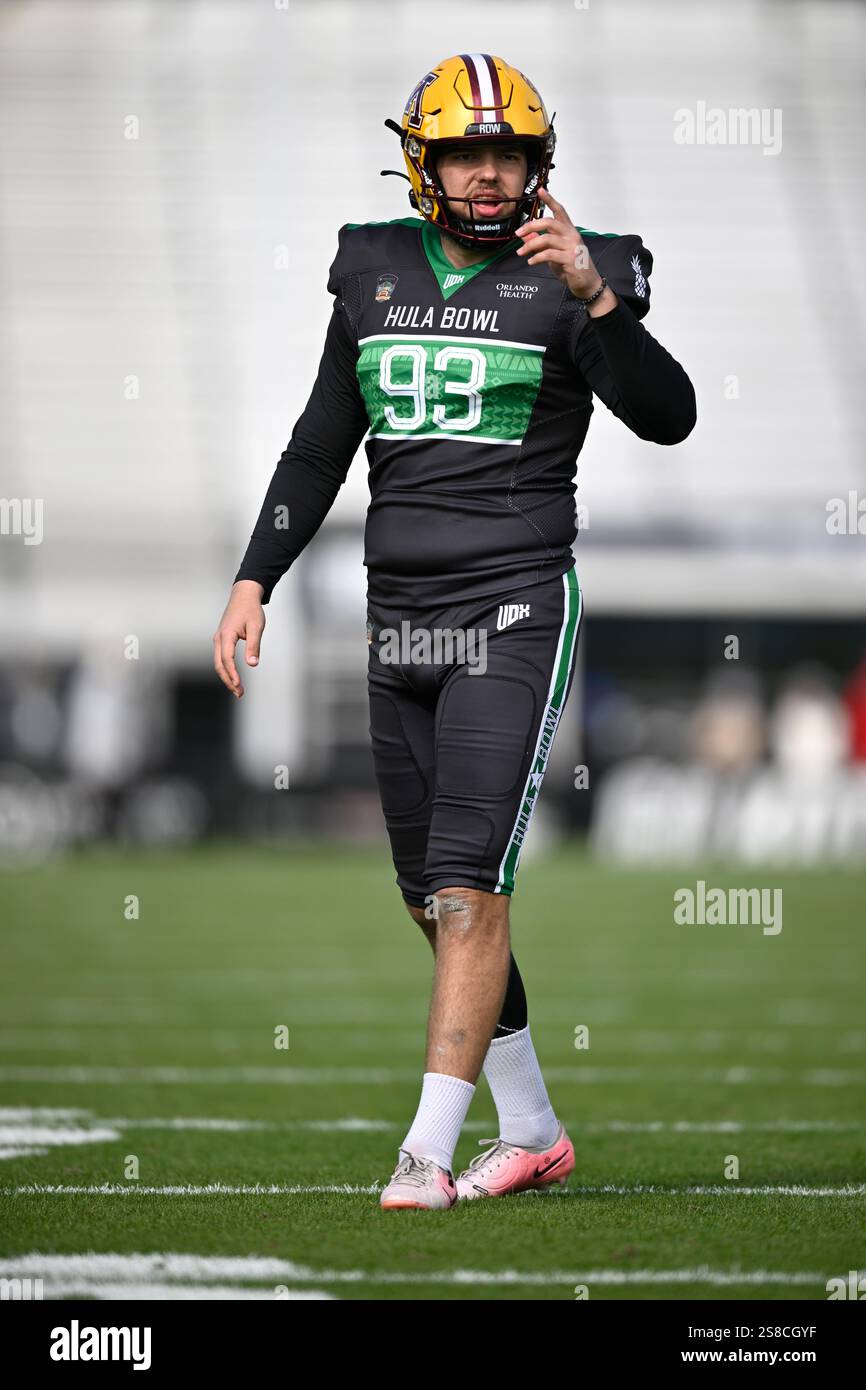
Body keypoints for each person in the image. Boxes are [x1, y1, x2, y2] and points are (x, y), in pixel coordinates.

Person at [214, 53, 696, 1210]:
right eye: (466, 153)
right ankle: (528, 1128)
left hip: (514, 604)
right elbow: (321, 441)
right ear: (421, 161)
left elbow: (668, 417)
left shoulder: (568, 274)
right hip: (401, 619)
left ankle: (422, 1152)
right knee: (428, 892)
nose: (488, 175)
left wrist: (595, 296)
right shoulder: (372, 270)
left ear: (539, 166)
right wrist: (254, 576)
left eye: (507, 154)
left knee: (470, 882)